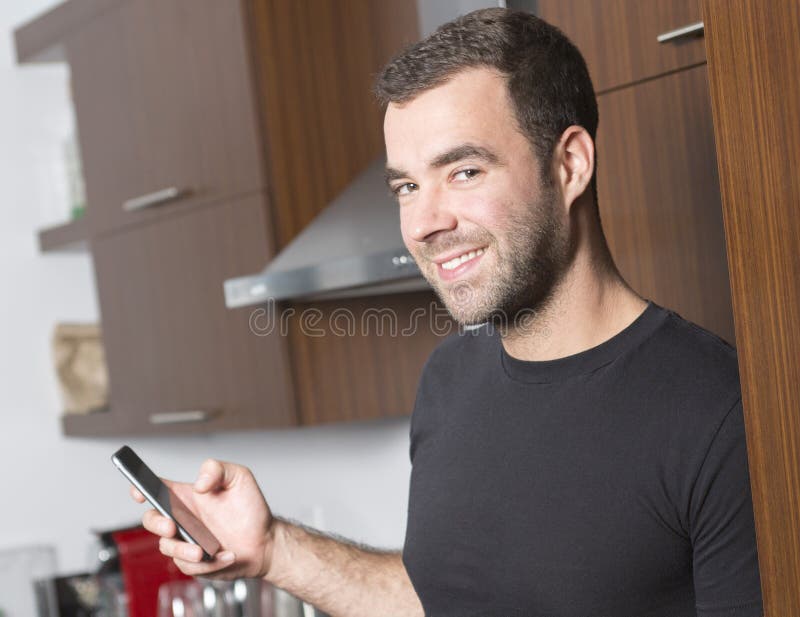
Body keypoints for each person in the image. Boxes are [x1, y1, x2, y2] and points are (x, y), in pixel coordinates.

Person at [133, 8, 763, 617]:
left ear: (569, 164)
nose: (425, 223)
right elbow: (445, 600)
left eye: (463, 171)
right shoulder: (449, 380)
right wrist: (272, 547)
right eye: (406, 186)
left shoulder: (717, 414)